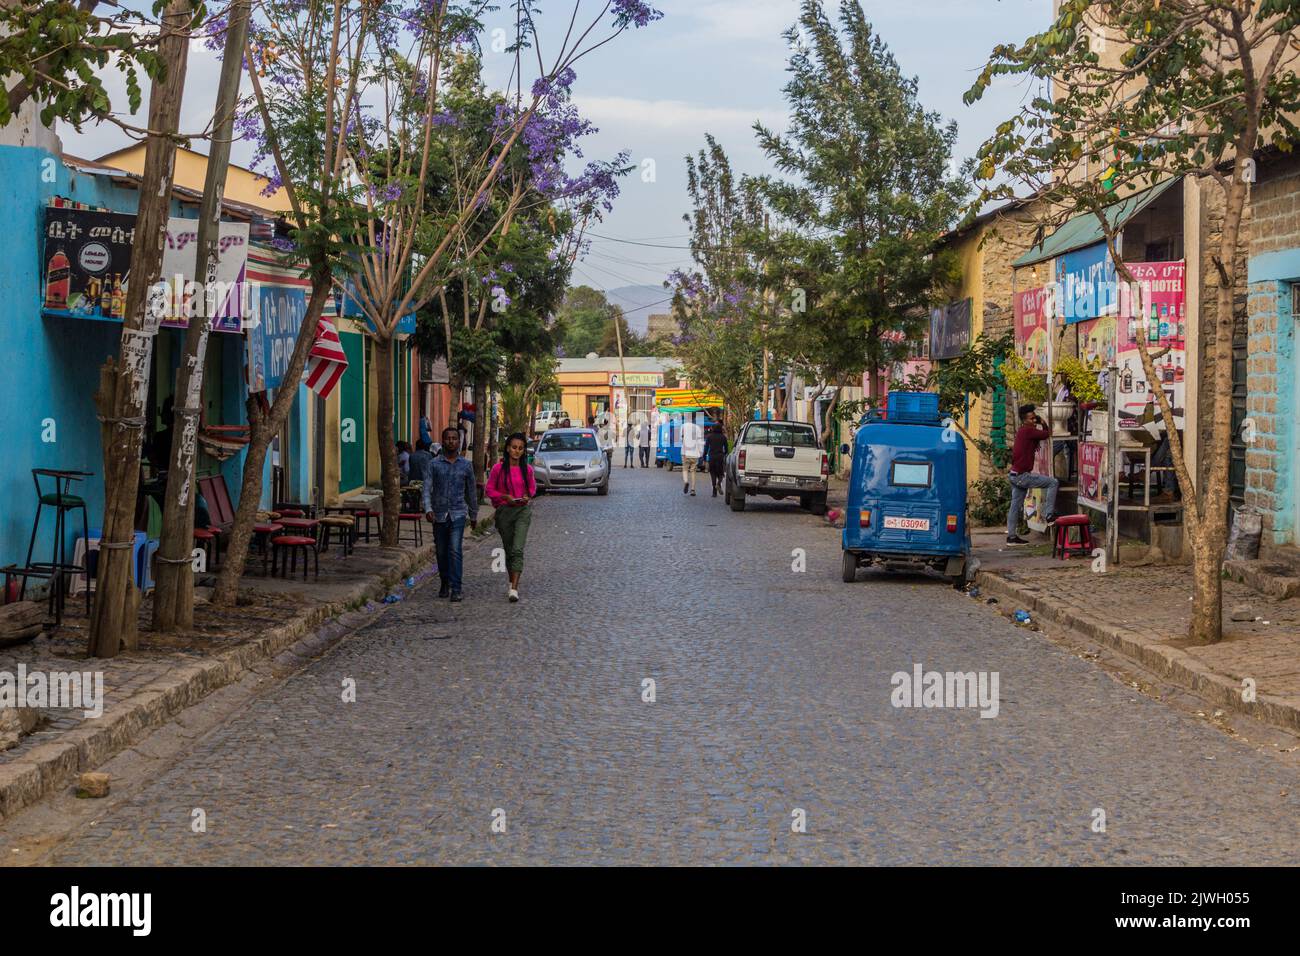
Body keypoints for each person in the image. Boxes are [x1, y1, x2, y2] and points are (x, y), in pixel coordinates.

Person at [423, 426, 478, 601]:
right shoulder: (433, 464)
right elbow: (426, 488)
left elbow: (471, 492)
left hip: (458, 513)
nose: (451, 441)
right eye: (448, 438)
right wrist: (428, 508)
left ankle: (456, 588)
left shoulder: (466, 465)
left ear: (458, 441)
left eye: (455, 438)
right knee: (441, 552)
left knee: (455, 550)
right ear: (443, 440)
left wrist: (474, 514)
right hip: (438, 514)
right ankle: (444, 582)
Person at [486, 432, 536, 603]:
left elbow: (532, 489)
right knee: (508, 550)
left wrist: (526, 496)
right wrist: (503, 497)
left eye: (520, 448)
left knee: (517, 549)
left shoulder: (527, 470)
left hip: (522, 511)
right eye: (514, 447)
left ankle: (514, 588)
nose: (517, 451)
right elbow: (489, 490)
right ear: (508, 449)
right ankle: (510, 580)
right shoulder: (498, 469)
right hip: (504, 512)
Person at [1007, 404, 1057, 545]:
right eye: (1032, 418)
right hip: (1022, 476)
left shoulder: (1023, 431)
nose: (1034, 420)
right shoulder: (1028, 431)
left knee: (1015, 506)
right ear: (1025, 420)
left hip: (1015, 474)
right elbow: (1048, 434)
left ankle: (1011, 537)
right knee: (1053, 482)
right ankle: (1049, 516)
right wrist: (1043, 423)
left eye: (1035, 418)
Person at [702, 423, 729, 497]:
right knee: (721, 474)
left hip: (712, 457)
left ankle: (714, 492)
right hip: (720, 457)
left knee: (713, 473)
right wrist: (725, 454)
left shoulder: (709, 437)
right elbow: (726, 449)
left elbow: (706, 448)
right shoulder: (723, 437)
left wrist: (704, 457)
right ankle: (718, 483)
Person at [681, 416, 705, 496]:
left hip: (685, 452)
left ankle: (686, 482)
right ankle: (693, 489)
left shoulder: (683, 426)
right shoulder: (697, 428)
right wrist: (701, 453)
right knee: (693, 471)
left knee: (685, 469)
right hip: (695, 453)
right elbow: (700, 441)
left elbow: (681, 439)